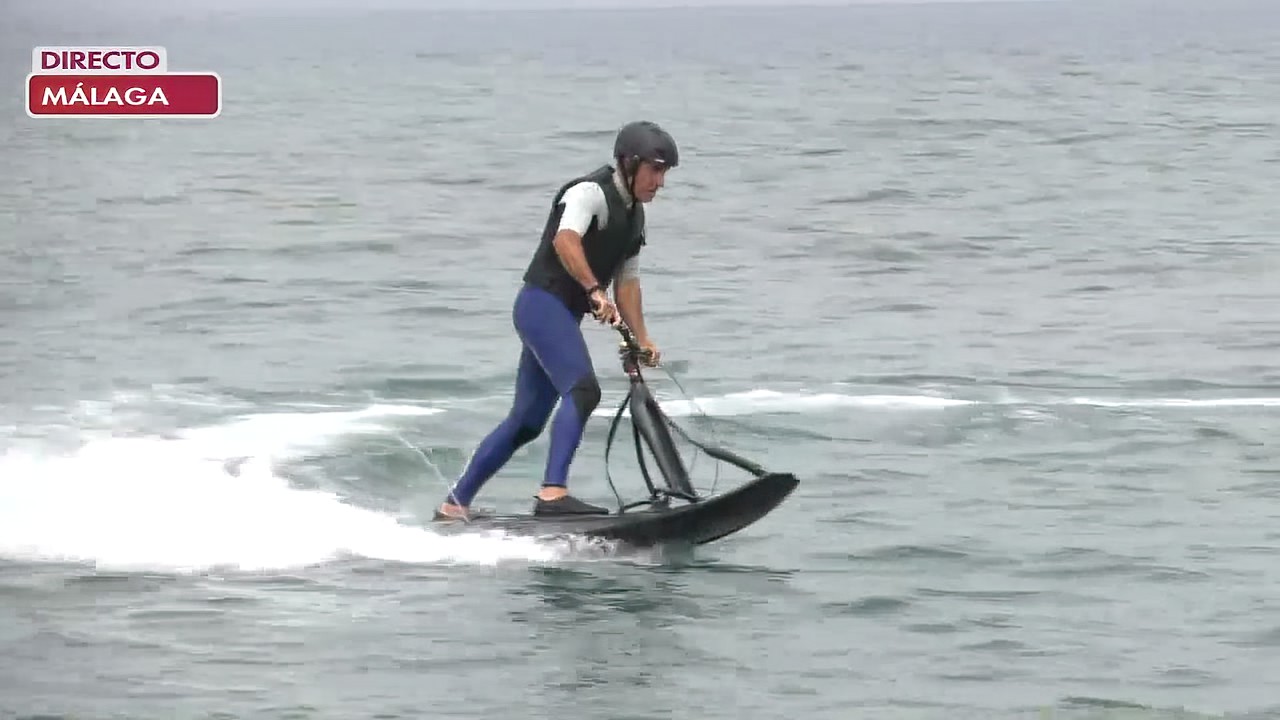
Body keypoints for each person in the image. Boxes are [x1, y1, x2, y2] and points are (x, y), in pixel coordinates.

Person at [436, 120, 679, 520]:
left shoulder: (635, 219)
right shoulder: (588, 193)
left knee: (527, 422)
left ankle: (453, 505)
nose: (660, 181)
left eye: (665, 172)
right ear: (629, 163)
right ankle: (552, 495)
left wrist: (641, 338)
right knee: (583, 390)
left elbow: (629, 284)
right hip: (540, 304)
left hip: (561, 315)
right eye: (655, 170)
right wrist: (593, 289)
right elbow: (565, 241)